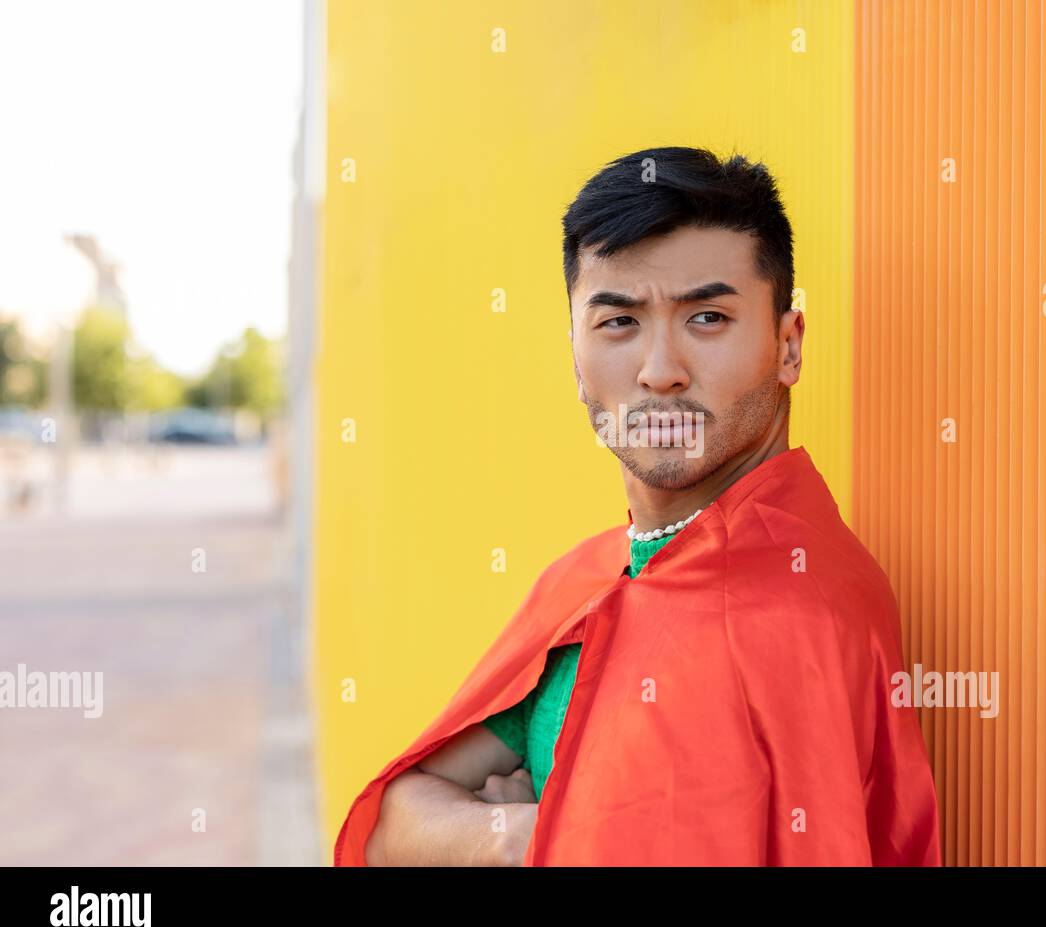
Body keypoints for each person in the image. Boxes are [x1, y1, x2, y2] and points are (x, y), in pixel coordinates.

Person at [336, 146, 942, 866]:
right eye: (619, 323)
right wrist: (520, 837)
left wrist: (505, 831)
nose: (659, 373)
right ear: (574, 356)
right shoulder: (589, 581)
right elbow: (390, 829)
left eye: (708, 318)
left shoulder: (802, 610)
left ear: (788, 347)